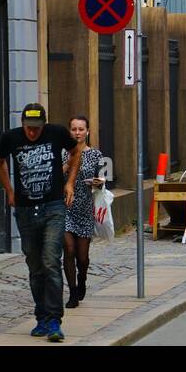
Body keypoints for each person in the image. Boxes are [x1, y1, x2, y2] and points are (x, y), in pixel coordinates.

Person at [0, 102, 81, 342]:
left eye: (37, 128)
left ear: (44, 124)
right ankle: (41, 316)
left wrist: (70, 182)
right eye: (29, 128)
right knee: (35, 265)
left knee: (51, 260)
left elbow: (76, 151)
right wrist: (9, 190)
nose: (33, 132)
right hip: (25, 209)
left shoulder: (56, 133)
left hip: (53, 206)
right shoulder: (10, 137)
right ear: (23, 124)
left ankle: (54, 320)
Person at [63, 116, 106, 310]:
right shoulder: (63, 153)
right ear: (69, 131)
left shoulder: (96, 154)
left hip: (85, 209)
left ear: (87, 131)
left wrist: (99, 182)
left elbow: (105, 178)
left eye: (81, 129)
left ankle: (82, 278)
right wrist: (69, 163)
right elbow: (55, 175)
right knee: (68, 251)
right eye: (74, 129)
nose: (77, 132)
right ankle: (72, 292)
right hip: (65, 208)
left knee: (82, 257)